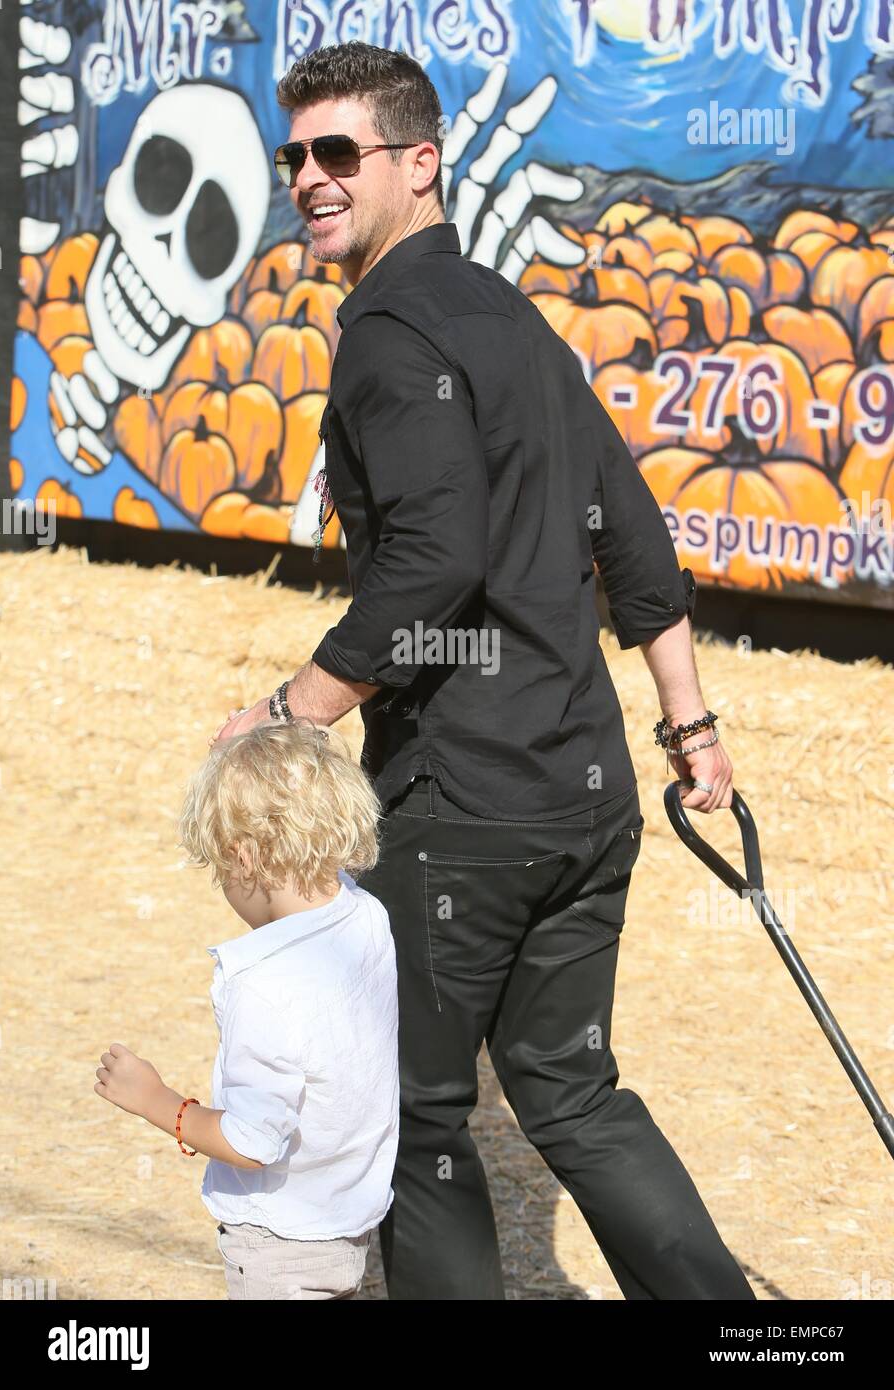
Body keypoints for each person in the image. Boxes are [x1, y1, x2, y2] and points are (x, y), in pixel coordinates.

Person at [214, 40, 755, 1301]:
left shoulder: (386, 331)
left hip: (464, 807)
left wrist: (294, 708)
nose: (307, 176)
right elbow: (636, 540)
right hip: (583, 797)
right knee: (570, 1090)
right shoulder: (514, 320)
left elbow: (434, 560)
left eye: (336, 151)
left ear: (419, 162)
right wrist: (690, 730)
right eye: (293, 154)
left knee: (416, 1115)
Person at [95, 719, 398, 1300]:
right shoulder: (366, 916)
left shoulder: (263, 984)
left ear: (246, 858)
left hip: (277, 1242)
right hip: (348, 1219)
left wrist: (159, 1102)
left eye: (220, 869)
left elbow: (253, 1142)